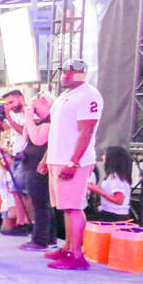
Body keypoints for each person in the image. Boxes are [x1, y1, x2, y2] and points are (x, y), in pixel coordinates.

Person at [44, 59, 103, 270]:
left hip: (73, 161)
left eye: (72, 72)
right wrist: (46, 159)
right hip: (57, 159)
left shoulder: (89, 95)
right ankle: (68, 248)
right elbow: (57, 131)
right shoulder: (65, 96)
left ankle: (76, 255)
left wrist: (73, 161)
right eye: (64, 71)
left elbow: (86, 132)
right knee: (65, 208)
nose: (66, 75)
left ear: (83, 74)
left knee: (73, 207)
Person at [0, 89, 31, 233]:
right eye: (7, 104)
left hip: (29, 155)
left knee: (25, 192)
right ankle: (21, 222)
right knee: (15, 191)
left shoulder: (30, 113)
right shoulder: (13, 115)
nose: (10, 106)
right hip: (17, 155)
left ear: (21, 97)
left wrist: (9, 118)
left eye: (11, 102)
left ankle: (26, 222)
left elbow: (26, 133)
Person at [19, 92, 56, 252]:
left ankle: (40, 240)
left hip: (39, 167)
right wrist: (29, 119)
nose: (33, 109)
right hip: (32, 165)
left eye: (36, 106)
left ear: (45, 104)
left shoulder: (50, 121)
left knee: (40, 205)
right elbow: (26, 136)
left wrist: (28, 118)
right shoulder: (40, 121)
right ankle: (49, 238)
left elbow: (38, 140)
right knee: (42, 204)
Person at [89, 145, 132, 223]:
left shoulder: (117, 178)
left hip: (115, 216)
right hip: (108, 212)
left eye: (105, 155)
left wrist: (98, 191)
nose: (103, 157)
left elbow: (119, 200)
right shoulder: (112, 176)